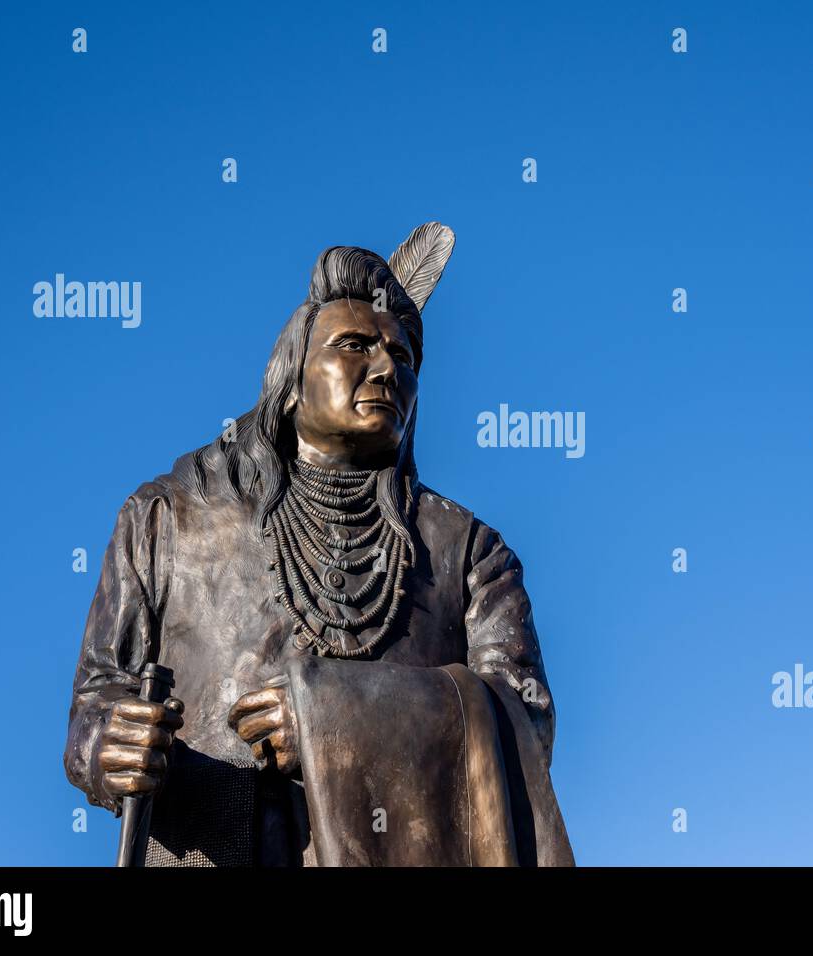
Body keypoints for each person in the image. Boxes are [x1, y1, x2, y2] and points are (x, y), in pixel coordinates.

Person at [63, 224, 573, 866]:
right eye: (355, 345)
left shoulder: (468, 551)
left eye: (405, 358)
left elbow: (526, 724)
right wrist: (105, 744)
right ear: (292, 375)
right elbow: (97, 697)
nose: (388, 369)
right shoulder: (167, 517)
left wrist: (337, 719)